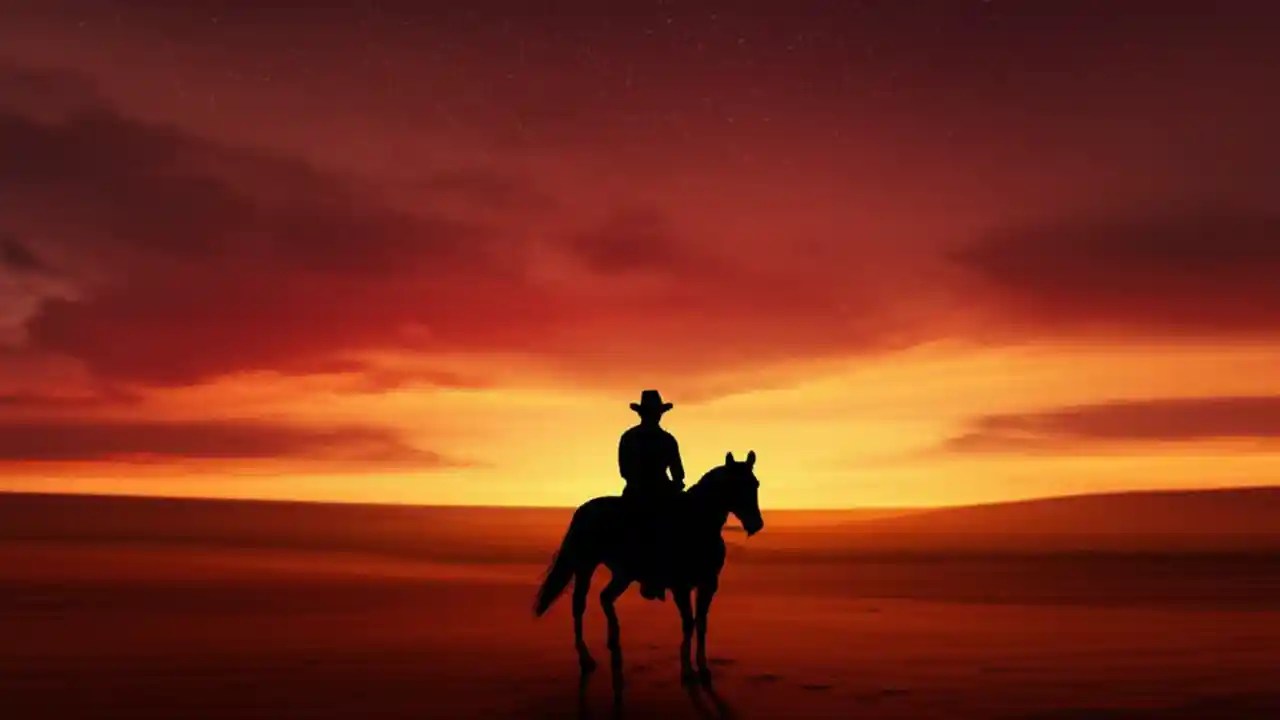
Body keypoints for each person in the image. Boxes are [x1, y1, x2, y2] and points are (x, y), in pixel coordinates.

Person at [618, 389, 685, 600]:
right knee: (673, 530)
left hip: (634, 492)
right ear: (659, 414)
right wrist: (675, 485)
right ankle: (666, 574)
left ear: (641, 413)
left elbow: (624, 470)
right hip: (661, 493)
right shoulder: (667, 440)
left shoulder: (629, 437)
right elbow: (679, 473)